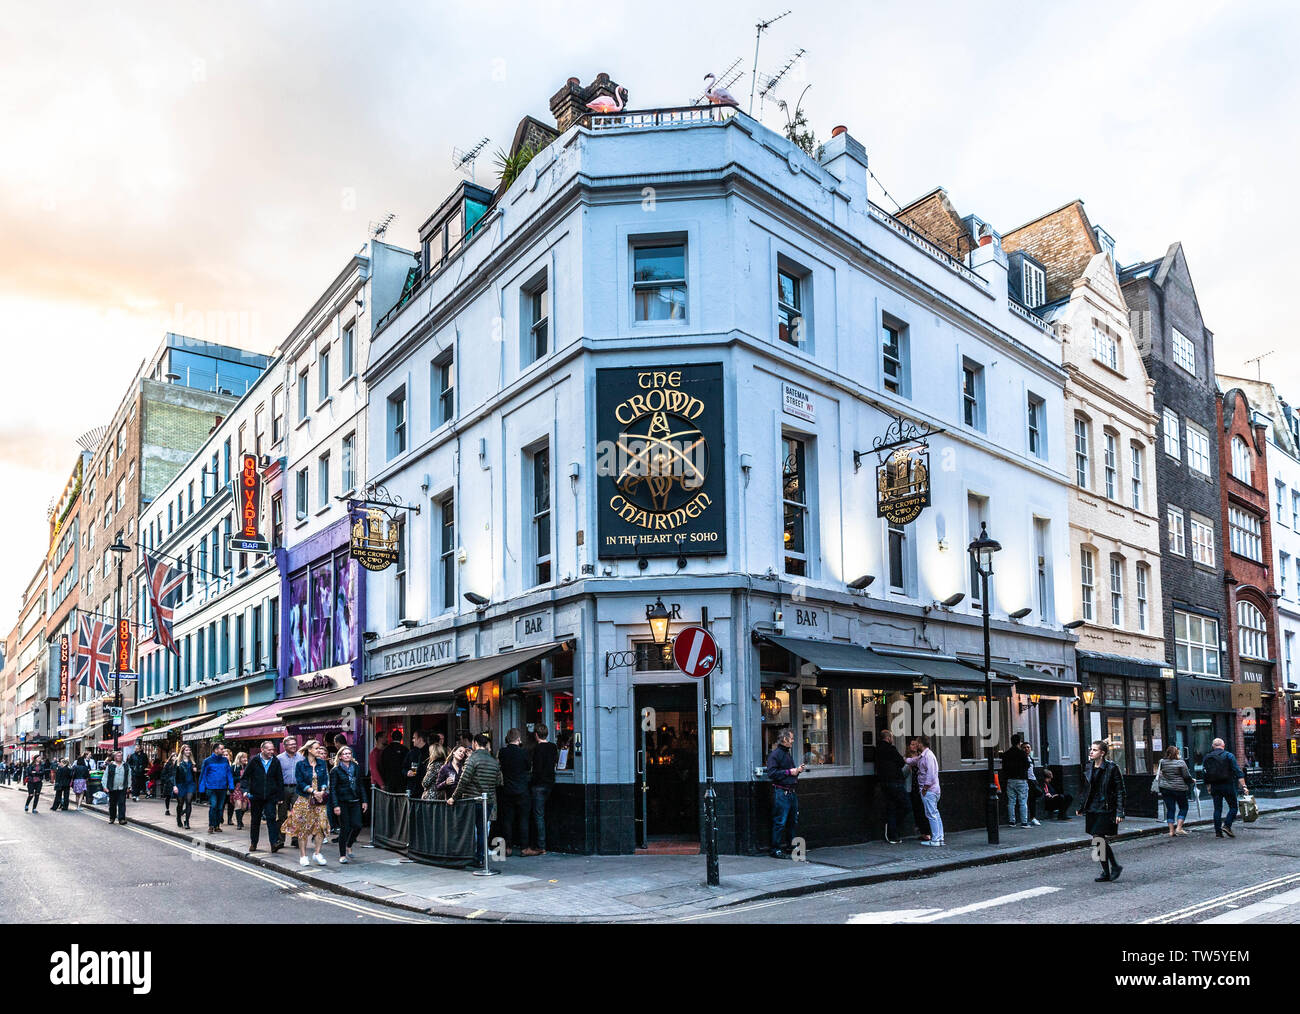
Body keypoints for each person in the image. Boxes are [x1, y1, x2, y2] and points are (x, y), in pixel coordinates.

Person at [448, 734, 502, 866]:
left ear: (475, 743)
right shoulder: (494, 761)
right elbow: (499, 781)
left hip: (472, 800)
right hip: (487, 801)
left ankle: (467, 856)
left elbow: (464, 780)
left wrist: (453, 797)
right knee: (482, 830)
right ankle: (480, 858)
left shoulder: (472, 759)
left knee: (468, 829)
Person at [1076, 740, 1125, 882]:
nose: (1091, 752)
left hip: (1106, 807)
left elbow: (1120, 790)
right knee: (1097, 840)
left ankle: (1114, 867)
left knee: (1098, 837)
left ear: (1102, 753)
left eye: (1095, 750)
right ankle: (1107, 871)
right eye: (1091, 749)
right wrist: (1081, 807)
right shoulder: (1088, 767)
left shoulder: (1112, 768)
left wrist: (1120, 812)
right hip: (1092, 807)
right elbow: (1086, 790)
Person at [283, 740, 332, 866]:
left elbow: (325, 779)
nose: (319, 751)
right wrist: (313, 791)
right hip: (305, 799)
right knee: (303, 828)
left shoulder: (321, 763)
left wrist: (321, 791)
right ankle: (303, 856)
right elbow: (300, 782)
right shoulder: (301, 764)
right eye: (316, 748)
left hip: (319, 800)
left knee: (321, 826)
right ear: (309, 750)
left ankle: (317, 854)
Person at [765, 728, 804, 859]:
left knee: (792, 821)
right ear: (785, 739)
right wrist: (790, 772)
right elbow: (771, 773)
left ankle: (790, 846)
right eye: (791, 738)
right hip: (782, 792)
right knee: (780, 822)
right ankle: (775, 849)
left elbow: (787, 771)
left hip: (790, 792)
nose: (793, 740)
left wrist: (797, 771)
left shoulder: (786, 754)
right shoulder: (775, 755)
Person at [243, 740, 285, 853]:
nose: (272, 751)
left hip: (271, 796)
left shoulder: (275, 761)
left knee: (271, 818)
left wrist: (280, 796)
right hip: (256, 795)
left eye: (273, 749)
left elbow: (279, 779)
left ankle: (273, 843)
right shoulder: (254, 760)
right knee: (255, 820)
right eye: (269, 749)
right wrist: (246, 790)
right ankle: (253, 843)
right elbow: (245, 777)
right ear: (262, 749)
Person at [524, 724, 559, 856]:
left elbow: (537, 769)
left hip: (538, 786)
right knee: (543, 814)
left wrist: (532, 782)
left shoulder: (537, 749)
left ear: (536, 735)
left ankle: (540, 846)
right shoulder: (553, 747)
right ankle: (543, 843)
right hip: (550, 784)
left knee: (538, 815)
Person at [1202, 737, 1247, 839]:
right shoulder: (1229, 755)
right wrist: (1244, 786)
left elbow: (1204, 773)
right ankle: (1227, 825)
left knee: (1217, 809)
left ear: (1213, 746)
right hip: (1228, 784)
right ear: (1223, 745)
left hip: (1214, 785)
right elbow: (1237, 771)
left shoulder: (1207, 757)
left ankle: (1218, 832)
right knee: (1233, 807)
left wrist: (1208, 787)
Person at [497, 728, 531, 857]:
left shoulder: (502, 752)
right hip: (522, 790)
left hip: (507, 790)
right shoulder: (523, 752)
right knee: (523, 819)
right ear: (518, 739)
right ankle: (524, 848)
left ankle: (508, 848)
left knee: (507, 820)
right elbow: (528, 767)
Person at [330, 745, 367, 863]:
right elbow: (333, 790)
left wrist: (364, 800)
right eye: (345, 754)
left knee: (358, 825)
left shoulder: (356, 767)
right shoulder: (335, 770)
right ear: (340, 756)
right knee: (345, 828)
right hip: (342, 803)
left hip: (355, 801)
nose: (347, 755)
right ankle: (342, 855)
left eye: (349, 754)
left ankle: (349, 845)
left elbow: (360, 785)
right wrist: (335, 805)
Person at [905, 735, 944, 846]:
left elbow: (931, 774)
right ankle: (939, 838)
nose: (916, 745)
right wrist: (903, 759)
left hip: (929, 790)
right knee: (935, 813)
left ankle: (935, 839)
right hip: (932, 790)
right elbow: (913, 760)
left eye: (917, 743)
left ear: (921, 744)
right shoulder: (924, 755)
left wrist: (925, 788)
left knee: (931, 814)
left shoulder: (928, 756)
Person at [876, 729, 908, 845]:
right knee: (905, 806)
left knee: (891, 807)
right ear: (888, 738)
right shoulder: (891, 749)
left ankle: (892, 834)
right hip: (895, 781)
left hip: (884, 783)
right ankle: (893, 831)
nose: (893, 739)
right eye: (892, 737)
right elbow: (901, 762)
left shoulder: (877, 749)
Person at [1156, 745, 1195, 838]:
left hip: (1166, 788)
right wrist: (1192, 781)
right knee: (1184, 807)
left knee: (1170, 809)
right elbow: (1186, 776)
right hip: (1179, 789)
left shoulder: (1162, 762)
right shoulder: (1181, 763)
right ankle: (1179, 828)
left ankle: (1171, 831)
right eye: (1178, 752)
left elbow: (1160, 773)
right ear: (1176, 753)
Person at [199, 743, 235, 833]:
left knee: (220, 808)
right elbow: (203, 775)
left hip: (222, 788)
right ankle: (211, 825)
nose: (223, 751)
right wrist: (201, 788)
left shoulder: (225, 761)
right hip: (211, 788)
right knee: (214, 806)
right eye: (221, 749)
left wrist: (231, 786)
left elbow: (229, 774)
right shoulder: (207, 761)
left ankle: (217, 825)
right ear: (215, 750)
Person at [1001, 732, 1031, 828]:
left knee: (1011, 801)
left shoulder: (1006, 754)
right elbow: (1027, 765)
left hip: (1010, 779)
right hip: (1021, 779)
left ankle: (1012, 821)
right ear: (1019, 742)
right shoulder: (1022, 754)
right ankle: (1024, 822)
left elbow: (1004, 768)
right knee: (1022, 801)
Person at [275, 735, 302, 845]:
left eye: (294, 744)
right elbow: (275, 776)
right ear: (285, 746)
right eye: (290, 744)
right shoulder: (279, 759)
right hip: (284, 789)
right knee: (282, 816)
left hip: (297, 789)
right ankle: (280, 840)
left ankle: (295, 839)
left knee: (297, 814)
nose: (293, 746)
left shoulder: (301, 757)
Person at [173, 743, 199, 829]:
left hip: (190, 784)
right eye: (186, 750)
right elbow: (173, 775)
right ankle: (178, 818)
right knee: (180, 803)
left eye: (189, 750)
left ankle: (187, 821)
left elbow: (194, 774)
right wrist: (174, 786)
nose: (188, 751)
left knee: (188, 802)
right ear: (183, 751)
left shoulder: (192, 762)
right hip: (180, 784)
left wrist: (194, 770)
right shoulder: (178, 762)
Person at [103, 750, 131, 825]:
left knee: (122, 803)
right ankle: (112, 818)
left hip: (122, 788)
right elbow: (105, 777)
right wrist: (105, 786)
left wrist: (129, 786)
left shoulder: (126, 765)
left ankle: (121, 819)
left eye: (121, 756)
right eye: (118, 756)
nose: (119, 757)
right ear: (115, 757)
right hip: (112, 788)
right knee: (112, 804)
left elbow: (129, 776)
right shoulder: (110, 766)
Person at [380, 730, 408, 797]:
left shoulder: (386, 750)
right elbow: (407, 765)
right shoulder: (405, 750)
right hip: (401, 781)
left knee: (390, 801)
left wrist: (384, 779)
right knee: (400, 801)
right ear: (401, 738)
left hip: (389, 781)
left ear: (391, 737)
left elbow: (382, 766)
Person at [228, 751, 249, 830]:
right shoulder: (234, 767)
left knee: (244, 807)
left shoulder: (247, 766)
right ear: (239, 758)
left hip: (245, 788)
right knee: (238, 804)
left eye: (246, 757)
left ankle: (240, 819)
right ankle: (239, 823)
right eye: (243, 757)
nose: (245, 759)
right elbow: (231, 778)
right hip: (237, 787)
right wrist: (240, 778)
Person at [1023, 741, 1043, 826]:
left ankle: (1032, 817)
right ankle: (1029, 818)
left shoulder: (1031, 759)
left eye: (1028, 747)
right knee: (1029, 799)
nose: (1027, 749)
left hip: (1033, 780)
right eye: (1024, 747)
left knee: (1033, 798)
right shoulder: (1022, 759)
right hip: (1027, 781)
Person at [160, 751, 176, 816]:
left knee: (180, 797)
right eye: (173, 756)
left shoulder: (178, 764)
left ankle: (180, 810)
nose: (175, 757)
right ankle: (167, 809)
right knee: (168, 797)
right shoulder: (167, 764)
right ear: (171, 757)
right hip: (169, 783)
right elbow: (163, 774)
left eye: (176, 756)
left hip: (176, 783)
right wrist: (167, 780)